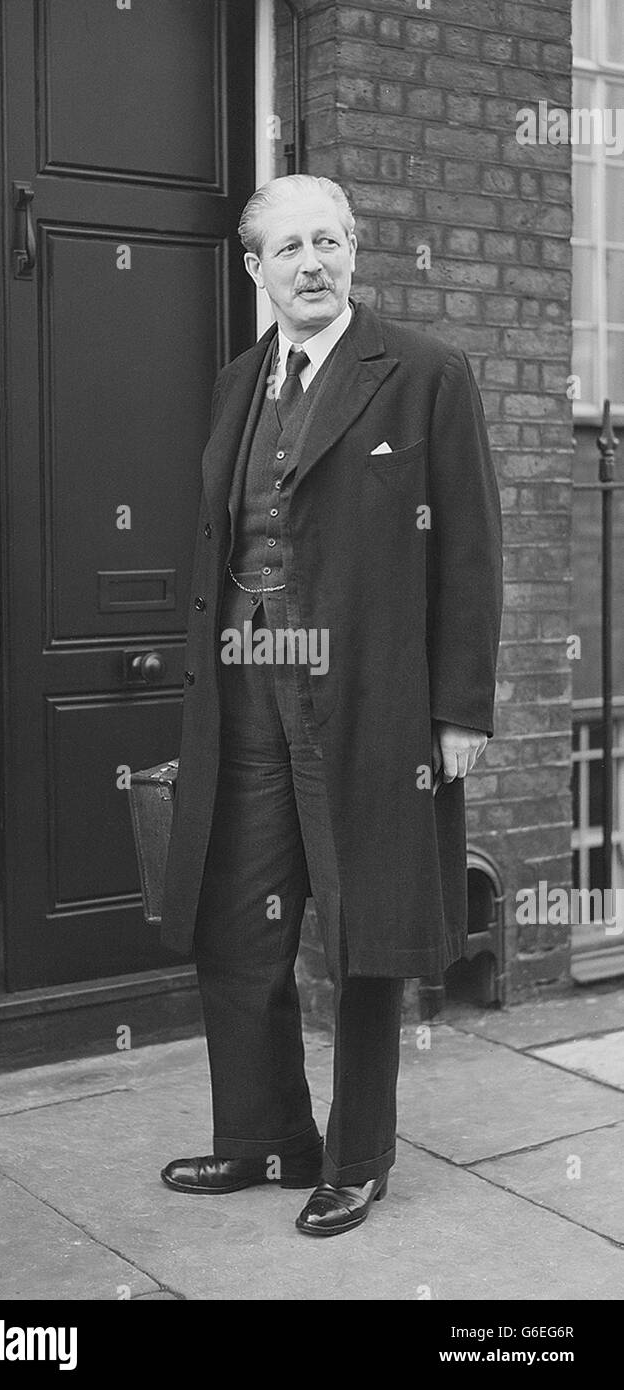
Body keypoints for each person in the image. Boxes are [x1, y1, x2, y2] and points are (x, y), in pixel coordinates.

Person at [159, 174, 503, 1237]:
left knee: (365, 927)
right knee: (235, 921)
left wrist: (458, 714)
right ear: (253, 269)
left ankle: (355, 1158)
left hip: (368, 702)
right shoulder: (234, 383)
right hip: (243, 692)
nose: (310, 263)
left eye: (327, 241)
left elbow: (471, 555)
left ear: (352, 252)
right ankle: (266, 1134)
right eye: (287, 247)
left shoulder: (423, 373)